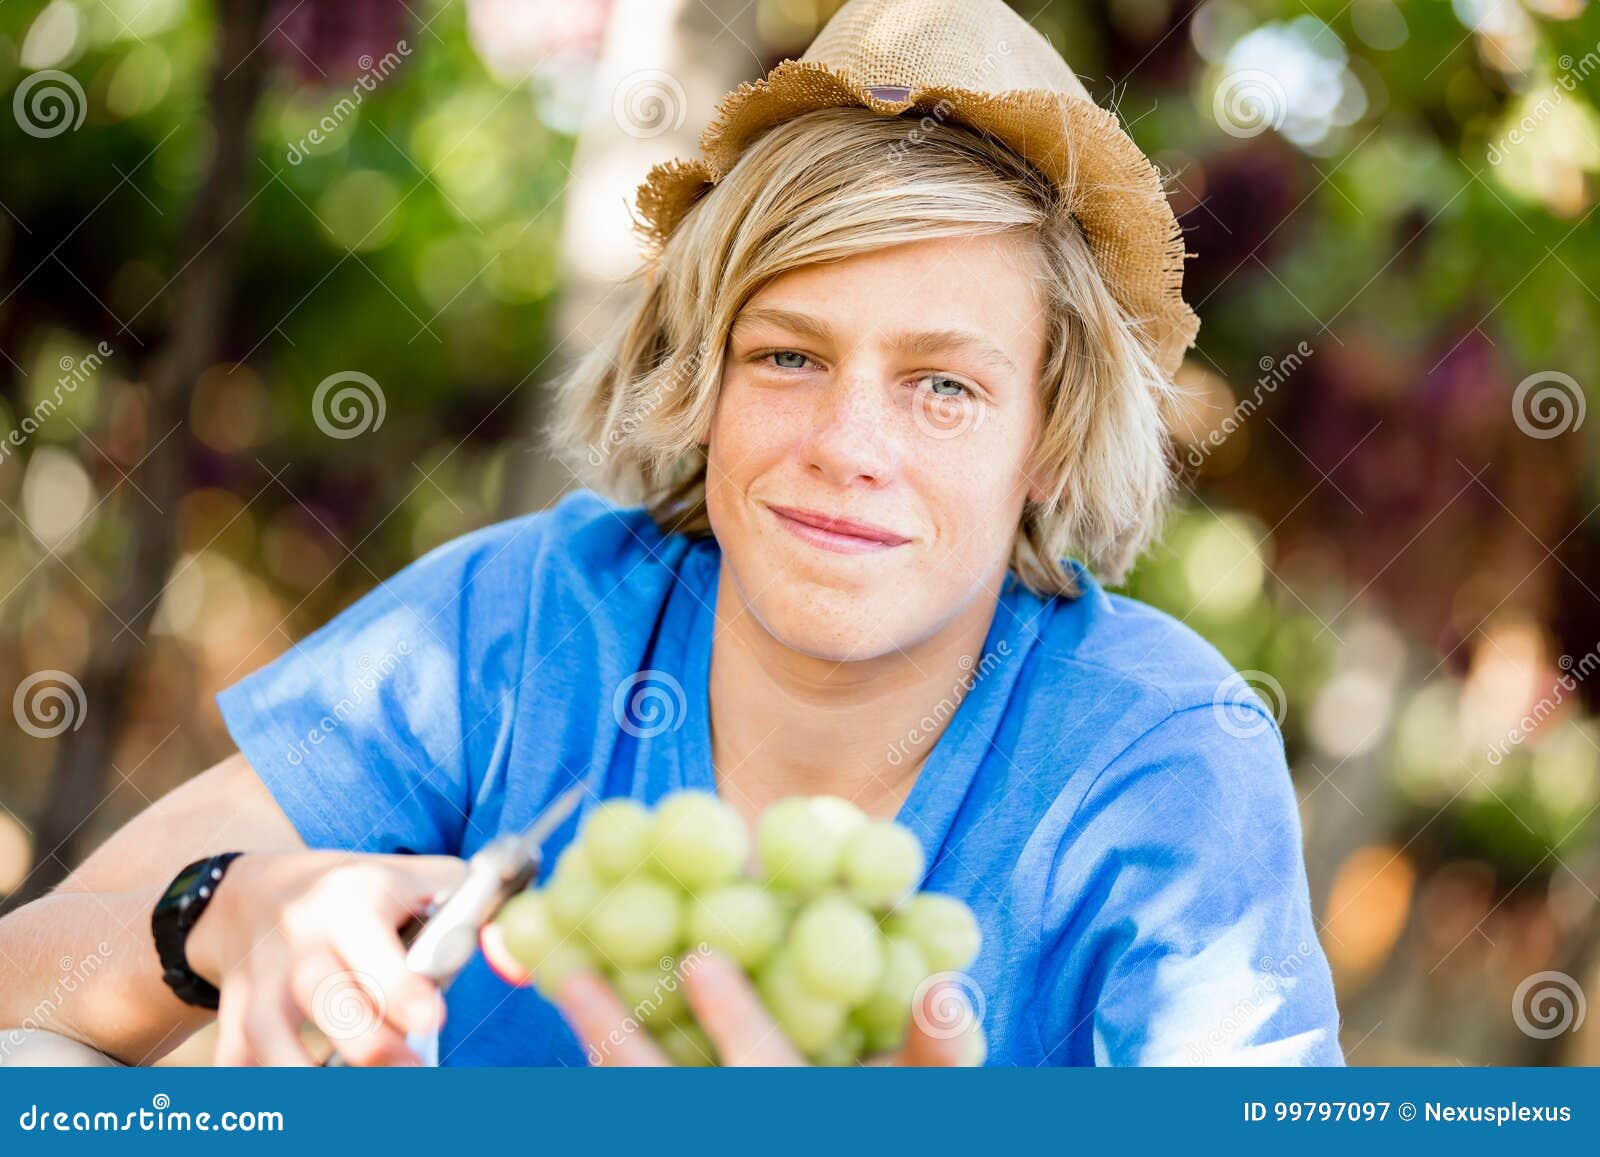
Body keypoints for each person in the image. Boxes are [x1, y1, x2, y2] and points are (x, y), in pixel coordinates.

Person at [0, 0, 1342, 1067]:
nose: (848, 445)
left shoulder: (1160, 748)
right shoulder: (524, 618)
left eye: (945, 385)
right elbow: (24, 983)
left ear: (1048, 438)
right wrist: (212, 921)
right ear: (702, 383)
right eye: (788, 357)